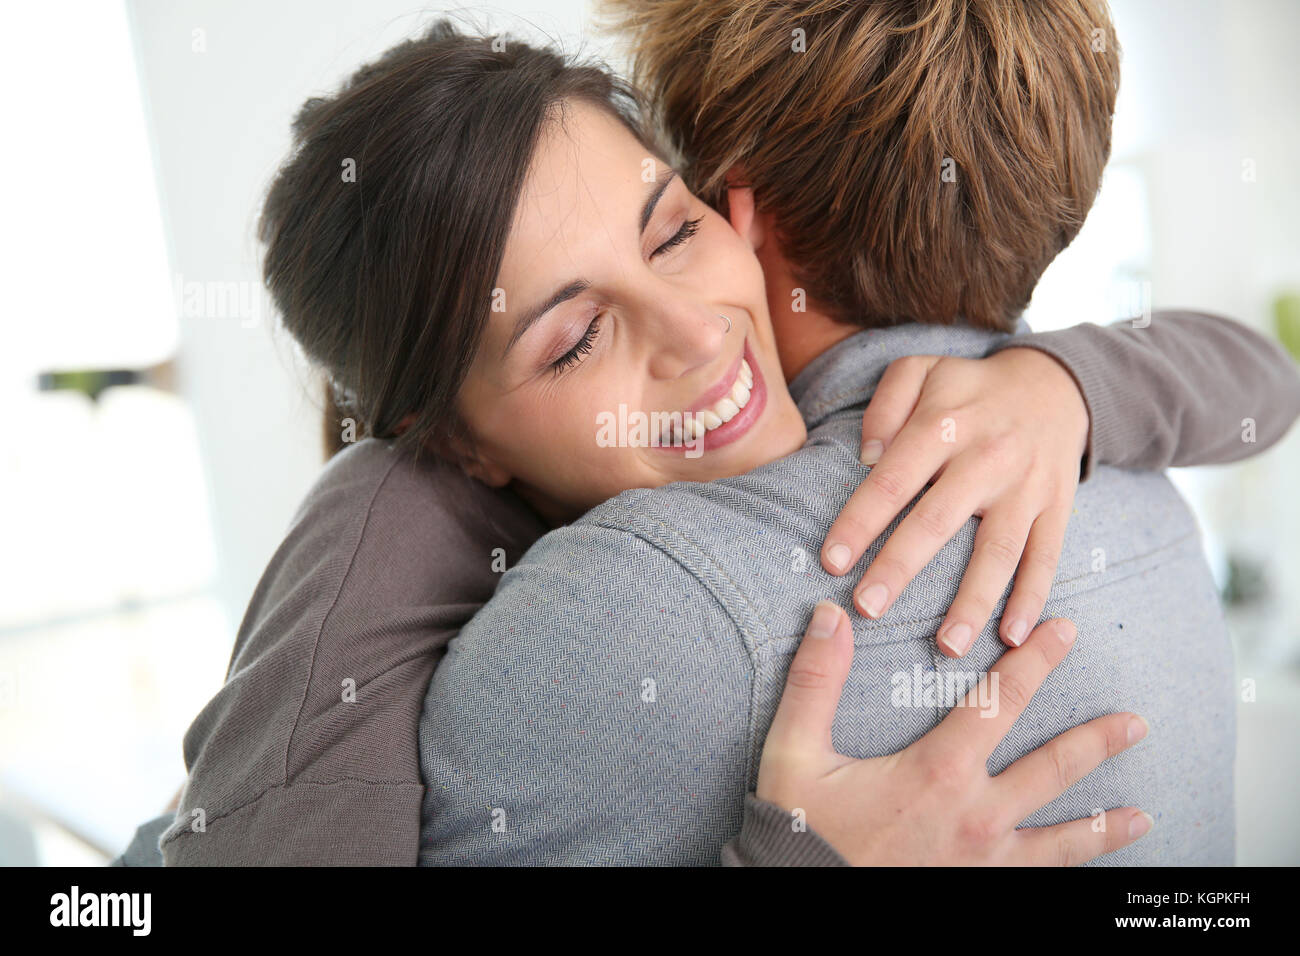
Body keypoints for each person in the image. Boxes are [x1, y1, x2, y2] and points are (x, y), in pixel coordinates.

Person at [116, 11, 1300, 866]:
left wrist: (1070, 380)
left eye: (672, 233)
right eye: (574, 338)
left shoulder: (647, 597)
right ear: (452, 441)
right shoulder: (1147, 501)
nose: (694, 335)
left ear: (734, 210)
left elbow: (1263, 376)